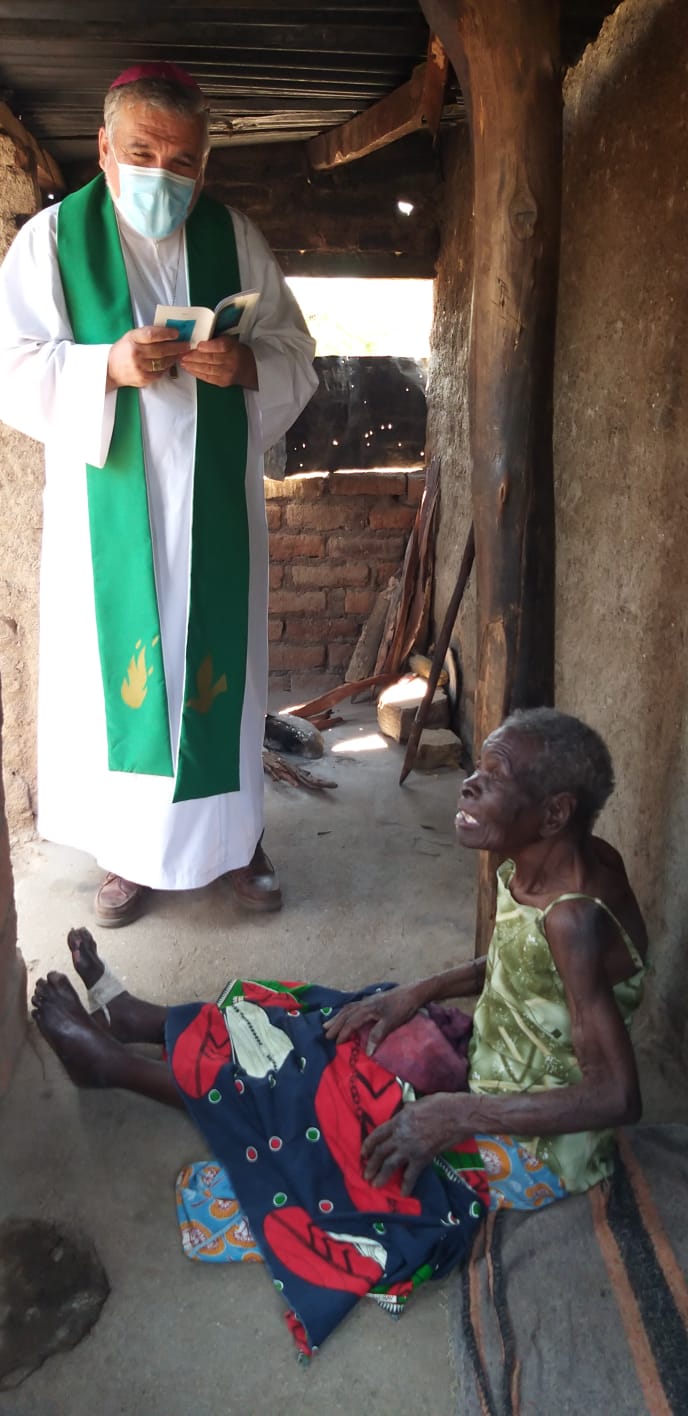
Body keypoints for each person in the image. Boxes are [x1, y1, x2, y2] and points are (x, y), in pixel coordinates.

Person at [31, 707, 647, 1350]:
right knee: (328, 1025)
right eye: (477, 768)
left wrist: (456, 1115)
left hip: (544, 1150)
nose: (469, 783)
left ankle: (115, 1067)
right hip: (493, 1063)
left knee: (318, 1108)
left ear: (553, 813)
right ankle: (146, 1022)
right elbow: (519, 965)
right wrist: (420, 991)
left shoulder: (576, 921)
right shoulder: (543, 863)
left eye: (494, 776)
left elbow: (617, 1096)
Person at [0, 60, 318, 927]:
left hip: (214, 510)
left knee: (215, 676)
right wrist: (106, 363)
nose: (164, 176)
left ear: (205, 166)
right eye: (144, 152)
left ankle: (235, 840)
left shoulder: (236, 237)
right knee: (128, 687)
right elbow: (13, 361)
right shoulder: (55, 242)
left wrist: (245, 362)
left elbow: (298, 350)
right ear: (104, 147)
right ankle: (126, 856)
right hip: (109, 509)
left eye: (183, 162)